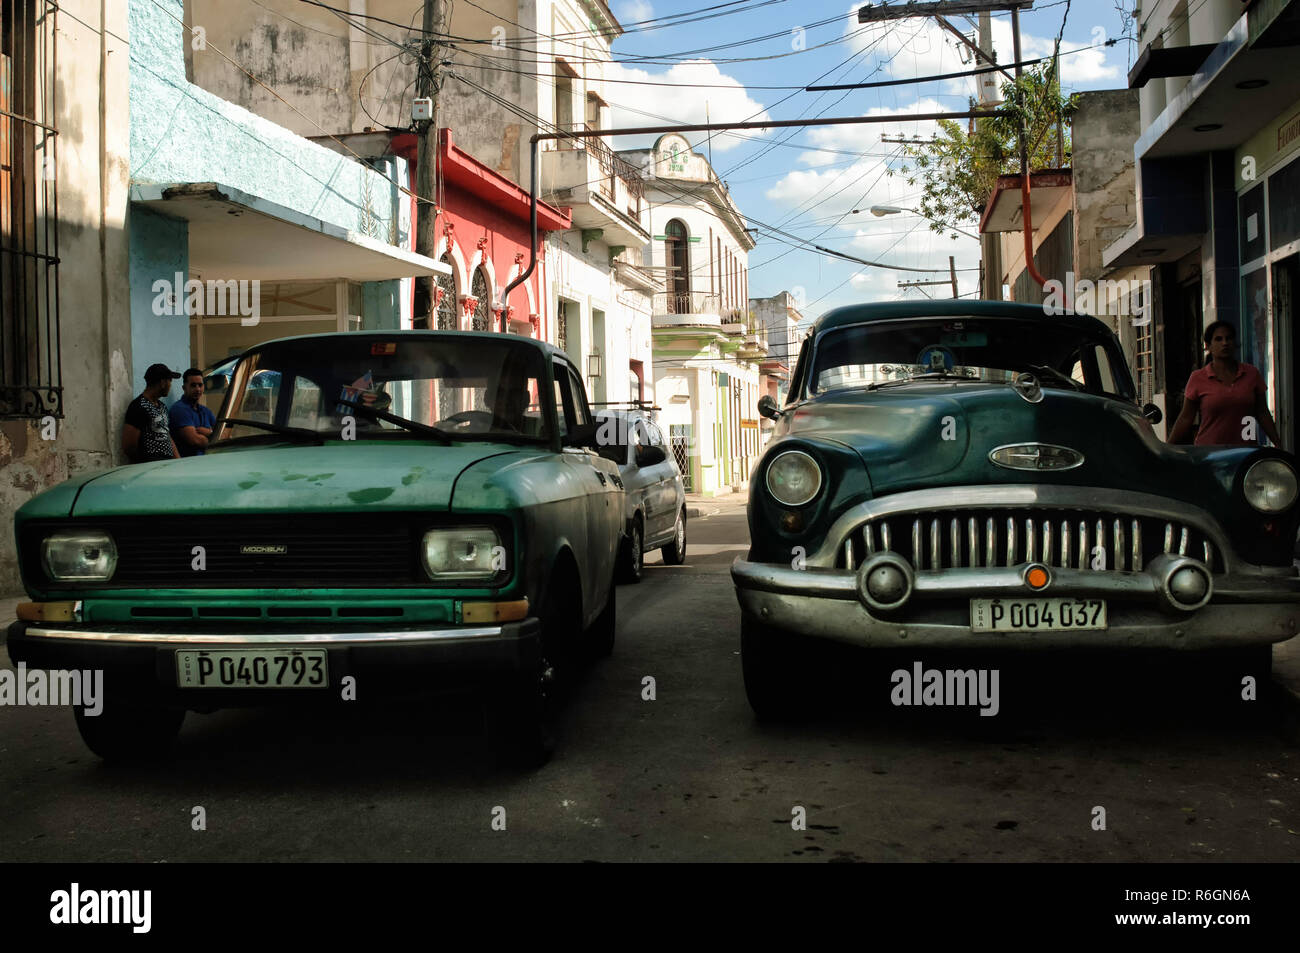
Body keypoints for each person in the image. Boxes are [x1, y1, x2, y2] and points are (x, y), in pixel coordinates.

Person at [1168, 321, 1283, 449]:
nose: (1225, 343)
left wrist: (1278, 444)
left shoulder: (1251, 374)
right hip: (1210, 453)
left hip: (1246, 451)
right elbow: (1185, 418)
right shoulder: (1198, 378)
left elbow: (1262, 412)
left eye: (1229, 338)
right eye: (1218, 339)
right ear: (1208, 346)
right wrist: (1167, 447)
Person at [122, 364, 181, 463]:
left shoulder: (162, 407)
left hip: (166, 466)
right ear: (162, 382)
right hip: (149, 468)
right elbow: (128, 446)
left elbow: (166, 435)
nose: (170, 385)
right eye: (170, 380)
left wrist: (178, 462)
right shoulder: (139, 406)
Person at [169, 367, 217, 457]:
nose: (198, 389)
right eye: (193, 385)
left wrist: (208, 433)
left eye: (200, 385)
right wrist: (214, 437)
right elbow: (195, 440)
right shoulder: (179, 409)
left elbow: (224, 435)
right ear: (184, 388)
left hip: (209, 461)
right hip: (189, 465)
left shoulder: (206, 411)